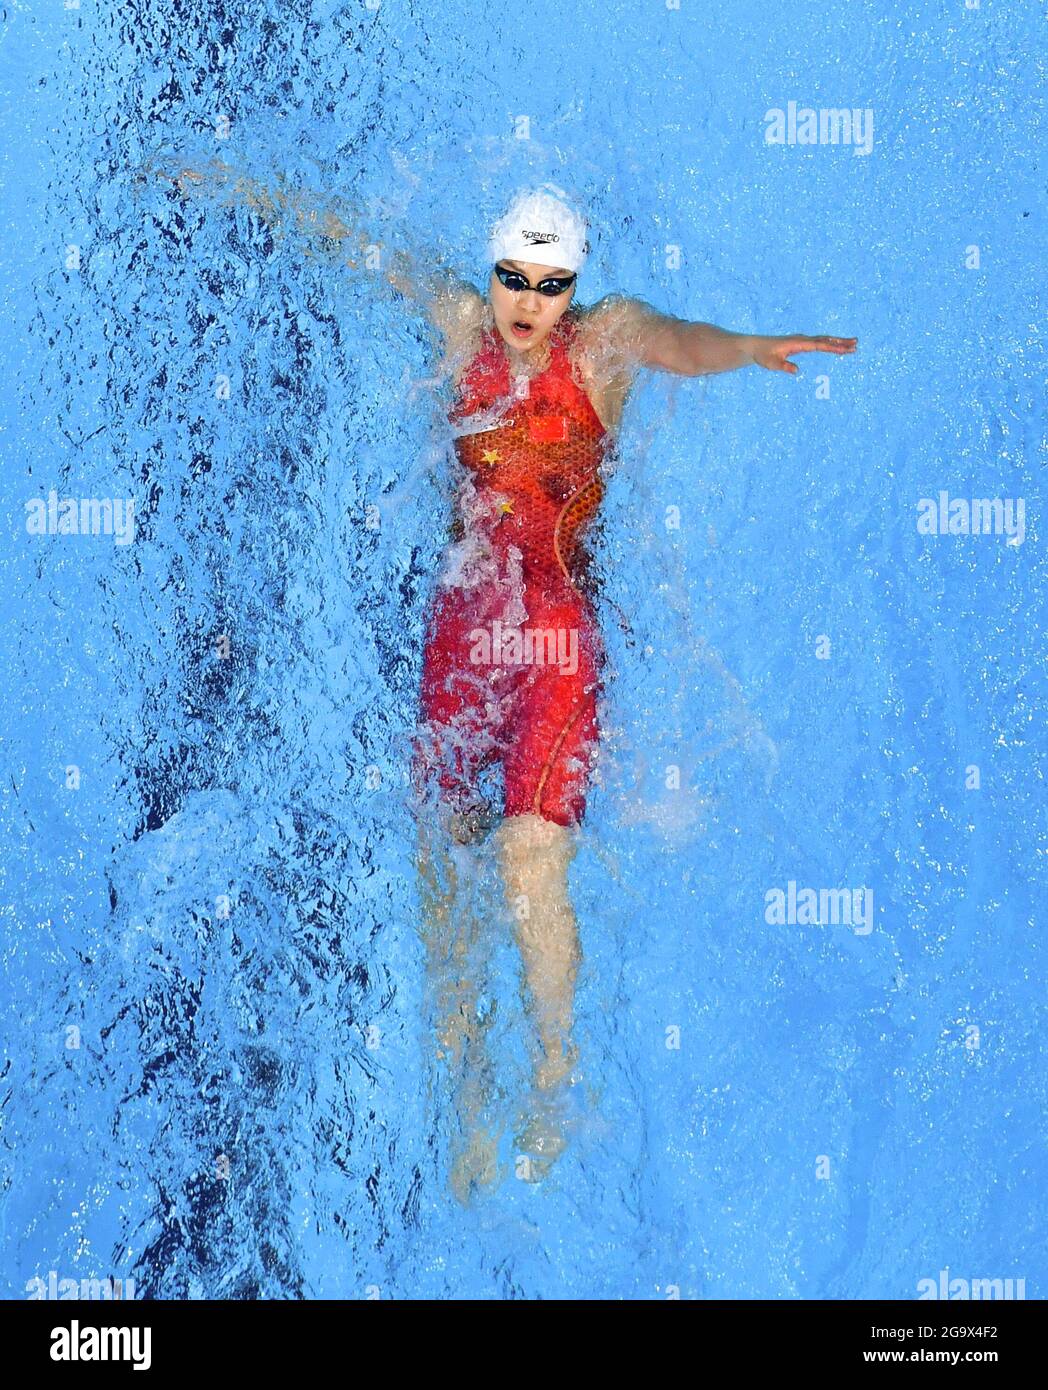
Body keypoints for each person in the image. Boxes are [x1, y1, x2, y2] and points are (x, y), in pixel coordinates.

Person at [148, 162, 857, 1194]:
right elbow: (354, 239)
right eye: (512, 279)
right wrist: (235, 186)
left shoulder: (603, 343)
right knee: (443, 867)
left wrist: (747, 349)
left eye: (549, 284)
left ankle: (556, 1081)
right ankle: (467, 1099)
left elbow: (680, 342)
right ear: (489, 273)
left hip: (555, 636)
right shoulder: (456, 324)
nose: (527, 303)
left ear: (575, 287)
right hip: (462, 627)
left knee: (529, 856)